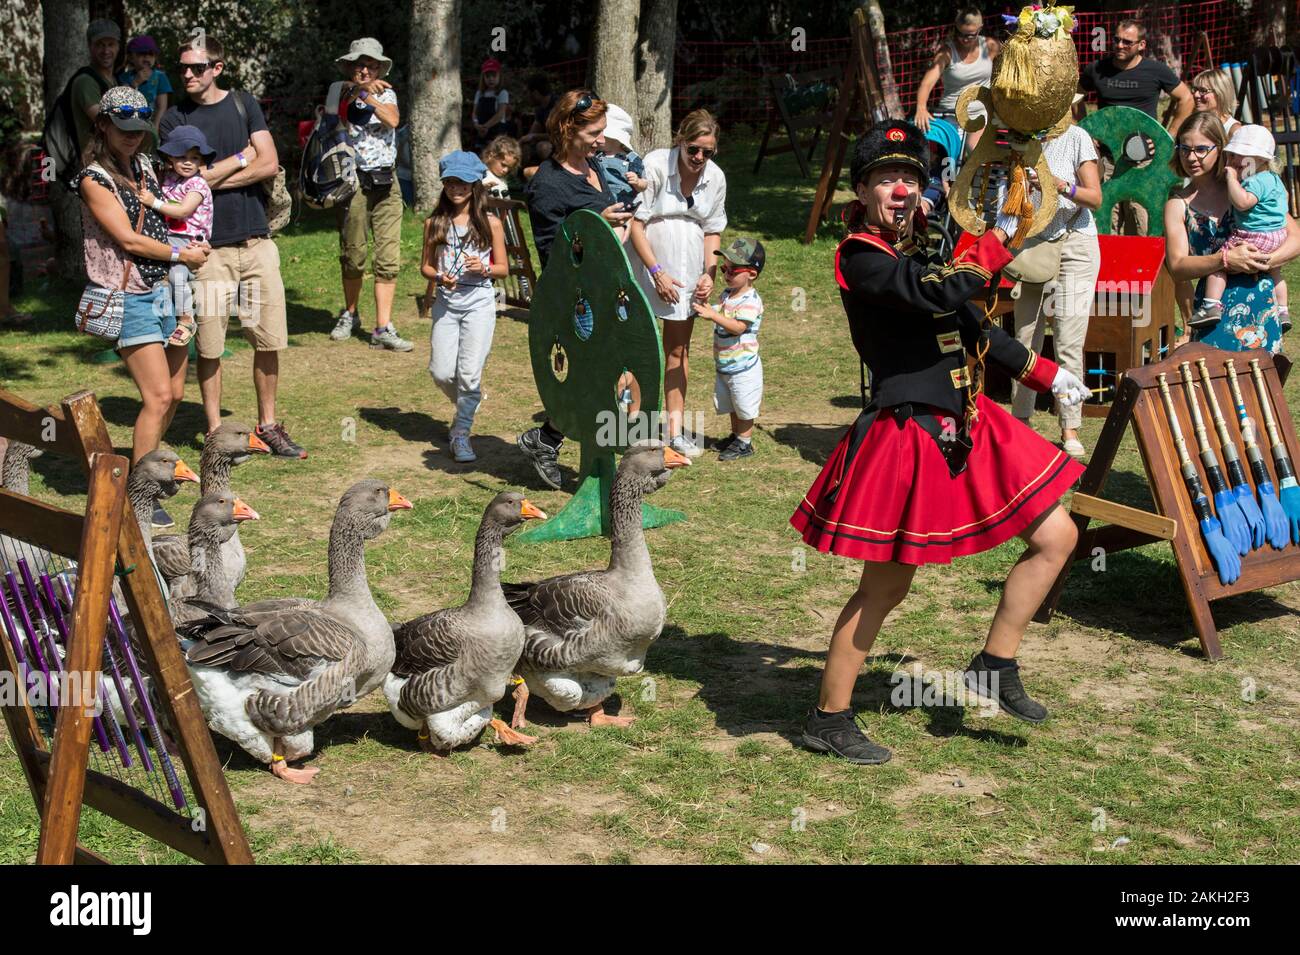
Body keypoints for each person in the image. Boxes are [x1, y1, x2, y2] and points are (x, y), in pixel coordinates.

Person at [792, 120, 1090, 765]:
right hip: (908, 428)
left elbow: (973, 323)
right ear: (865, 190)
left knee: (1059, 536)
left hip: (969, 418)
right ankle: (828, 716)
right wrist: (1001, 239)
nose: (899, 190)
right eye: (885, 179)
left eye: (910, 179)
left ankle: (994, 664)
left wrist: (1047, 373)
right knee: (886, 587)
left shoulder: (925, 248)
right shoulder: (860, 256)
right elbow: (936, 295)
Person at [159, 35, 306, 459]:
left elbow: (269, 162)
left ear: (217, 68)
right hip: (207, 253)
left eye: (197, 67)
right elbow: (188, 182)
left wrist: (210, 176)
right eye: (182, 67)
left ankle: (270, 425)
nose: (187, 74)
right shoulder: (174, 120)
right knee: (209, 345)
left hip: (257, 242)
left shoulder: (243, 103)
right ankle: (216, 433)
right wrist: (239, 160)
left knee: (269, 339)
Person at [75, 88, 210, 516]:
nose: (132, 136)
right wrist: (182, 255)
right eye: (123, 128)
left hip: (168, 290)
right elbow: (130, 239)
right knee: (156, 397)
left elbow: (191, 186)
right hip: (130, 295)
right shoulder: (92, 179)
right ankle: (140, 491)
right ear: (103, 125)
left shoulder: (149, 167)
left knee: (173, 393)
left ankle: (148, 470)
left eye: (139, 129)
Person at [515, 90, 631, 489]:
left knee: (604, 374)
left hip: (607, 287)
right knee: (594, 376)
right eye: (594, 133)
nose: (602, 140)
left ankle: (549, 439)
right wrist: (594, 222)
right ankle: (567, 449)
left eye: (603, 132)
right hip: (576, 297)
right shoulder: (548, 185)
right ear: (568, 129)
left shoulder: (593, 164)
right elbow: (554, 253)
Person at [629, 109, 727, 456]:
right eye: (693, 149)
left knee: (678, 350)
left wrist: (708, 273)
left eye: (707, 151)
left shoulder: (715, 178)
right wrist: (656, 272)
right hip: (648, 265)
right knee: (638, 350)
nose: (699, 157)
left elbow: (713, 228)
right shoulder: (654, 164)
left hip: (687, 270)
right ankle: (635, 428)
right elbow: (636, 225)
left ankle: (673, 431)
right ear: (680, 142)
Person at [1009, 104, 1102, 460]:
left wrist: (1059, 185)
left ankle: (1070, 427)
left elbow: (1095, 197)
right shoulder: (1017, 141)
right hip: (1031, 242)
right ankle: (1020, 421)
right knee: (1024, 338)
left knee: (1067, 341)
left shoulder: (1076, 138)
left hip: (1075, 243)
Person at [1163, 112, 1296, 353]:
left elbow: (1295, 238)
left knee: (1260, 387)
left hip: (1261, 309)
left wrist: (1262, 260)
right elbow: (1177, 266)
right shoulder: (1177, 204)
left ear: (1221, 149)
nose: (1191, 157)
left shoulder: (1247, 191)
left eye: (1201, 149)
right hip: (1212, 314)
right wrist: (1224, 259)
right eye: (1184, 149)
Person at [420, 152, 508, 464]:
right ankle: (469, 400)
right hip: (447, 304)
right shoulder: (435, 222)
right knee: (441, 372)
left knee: (469, 374)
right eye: (450, 182)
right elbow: (426, 267)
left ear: (475, 184)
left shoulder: (490, 223)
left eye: (462, 182)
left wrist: (483, 269)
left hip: (479, 304)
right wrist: (439, 277)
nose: (455, 187)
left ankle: (461, 432)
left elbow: (503, 269)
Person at [327, 38, 410, 351]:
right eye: (360, 64)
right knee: (354, 252)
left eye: (371, 65)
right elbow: (345, 119)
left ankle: (382, 327)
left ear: (379, 68)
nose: (365, 70)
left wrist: (374, 99)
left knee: (388, 256)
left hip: (387, 181)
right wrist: (361, 94)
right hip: (354, 182)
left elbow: (393, 120)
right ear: (351, 67)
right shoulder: (339, 91)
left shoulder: (388, 92)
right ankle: (350, 314)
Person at [1077, 19, 1194, 236]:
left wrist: (1168, 135)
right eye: (1116, 40)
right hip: (1106, 157)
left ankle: (1140, 268)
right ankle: (1107, 268)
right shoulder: (1098, 69)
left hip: (1143, 160)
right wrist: (1086, 131)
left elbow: (1186, 98)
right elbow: (1075, 96)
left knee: (1140, 220)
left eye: (1127, 42)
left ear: (1141, 45)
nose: (1120, 45)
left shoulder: (1155, 70)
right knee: (1105, 219)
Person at [1191, 124, 1289, 332]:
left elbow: (1242, 203)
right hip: (1276, 235)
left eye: (1242, 157)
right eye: (1232, 155)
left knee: (1219, 263)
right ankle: (1282, 310)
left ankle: (1210, 305)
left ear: (1261, 160)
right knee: (1276, 272)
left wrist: (1231, 179)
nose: (1235, 161)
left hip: (1254, 236)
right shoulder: (1274, 180)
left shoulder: (1255, 181)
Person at [691, 237, 765, 462]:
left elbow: (737, 327)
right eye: (725, 268)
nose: (727, 273)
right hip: (726, 364)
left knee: (743, 405)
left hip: (744, 367)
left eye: (733, 270)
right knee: (732, 403)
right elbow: (721, 312)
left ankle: (745, 443)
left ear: (751, 274)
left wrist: (714, 315)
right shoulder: (727, 294)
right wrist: (706, 308)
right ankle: (736, 436)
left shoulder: (751, 301)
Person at [149, 123, 215, 348]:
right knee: (163, 279)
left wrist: (153, 202)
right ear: (170, 158)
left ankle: (186, 319)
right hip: (169, 236)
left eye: (195, 158)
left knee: (178, 276)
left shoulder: (197, 184)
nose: (188, 162)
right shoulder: (168, 178)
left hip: (189, 240)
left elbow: (183, 211)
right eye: (182, 156)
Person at [913, 7, 1001, 154]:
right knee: (948, 162)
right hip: (951, 116)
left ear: (980, 29)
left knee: (976, 151)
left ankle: (990, 176)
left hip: (982, 113)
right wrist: (921, 107)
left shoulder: (990, 46)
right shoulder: (947, 53)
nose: (964, 39)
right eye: (960, 34)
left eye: (970, 35)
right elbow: (927, 83)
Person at [596, 104, 646, 211]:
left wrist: (637, 182)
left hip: (623, 204)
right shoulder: (597, 155)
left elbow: (645, 183)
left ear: (616, 139)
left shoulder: (631, 159)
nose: (598, 139)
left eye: (603, 135)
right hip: (601, 203)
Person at [117, 34, 172, 132]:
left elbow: (161, 107)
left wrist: (154, 129)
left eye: (151, 54)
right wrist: (135, 83)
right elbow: (122, 102)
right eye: (141, 53)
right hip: (128, 126)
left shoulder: (160, 77)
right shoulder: (124, 77)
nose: (147, 57)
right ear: (130, 57)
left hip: (151, 126)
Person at [471, 58, 514, 150]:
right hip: (481, 132)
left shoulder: (502, 93)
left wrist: (485, 127)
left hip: (497, 132)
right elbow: (474, 112)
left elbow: (500, 114)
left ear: (499, 76)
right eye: (488, 76)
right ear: (483, 77)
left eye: (494, 76)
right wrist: (476, 125)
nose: (491, 79)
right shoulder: (479, 93)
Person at [518, 75, 557, 173]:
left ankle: (552, 175)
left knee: (543, 147)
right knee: (524, 146)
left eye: (527, 93)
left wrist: (534, 137)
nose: (525, 97)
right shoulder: (540, 109)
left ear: (535, 93)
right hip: (547, 141)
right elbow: (533, 131)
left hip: (561, 144)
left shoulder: (558, 106)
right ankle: (521, 177)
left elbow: (559, 134)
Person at [1190, 68, 1239, 137]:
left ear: (1220, 93)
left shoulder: (1234, 131)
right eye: (1195, 90)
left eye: (1203, 90)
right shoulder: (1193, 123)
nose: (1196, 95)